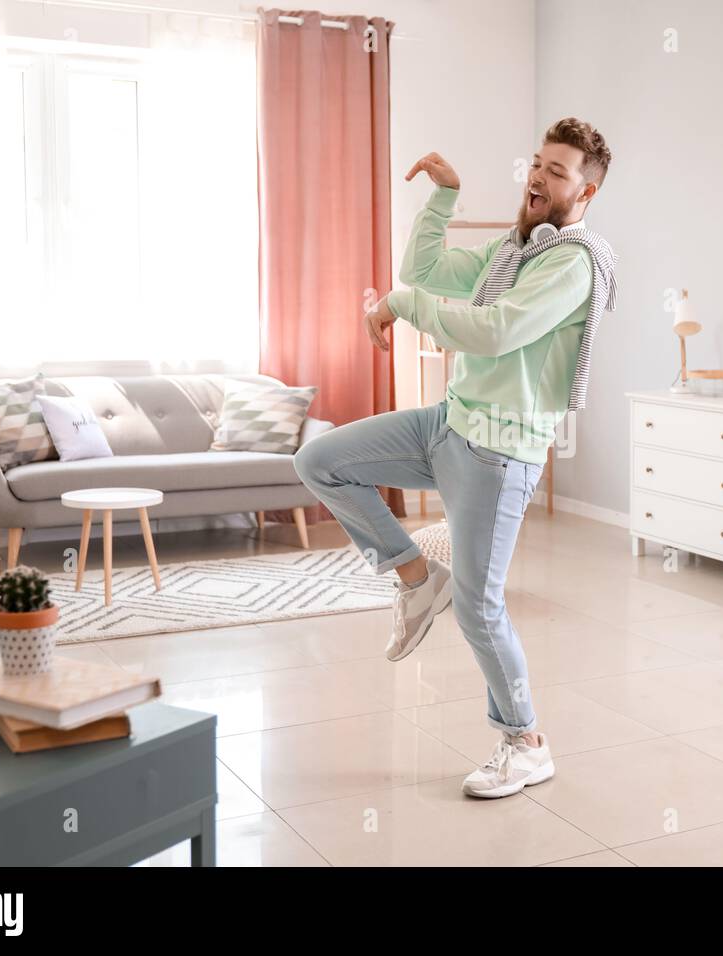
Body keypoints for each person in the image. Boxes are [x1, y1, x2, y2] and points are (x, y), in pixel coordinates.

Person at [294, 117, 616, 799]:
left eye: (557, 172)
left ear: (583, 194)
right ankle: (415, 575)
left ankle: (526, 742)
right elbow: (425, 272)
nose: (537, 176)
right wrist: (444, 198)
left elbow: (495, 333)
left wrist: (402, 307)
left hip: (498, 454)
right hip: (449, 425)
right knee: (321, 460)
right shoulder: (514, 250)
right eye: (537, 163)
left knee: (480, 610)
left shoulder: (571, 264)